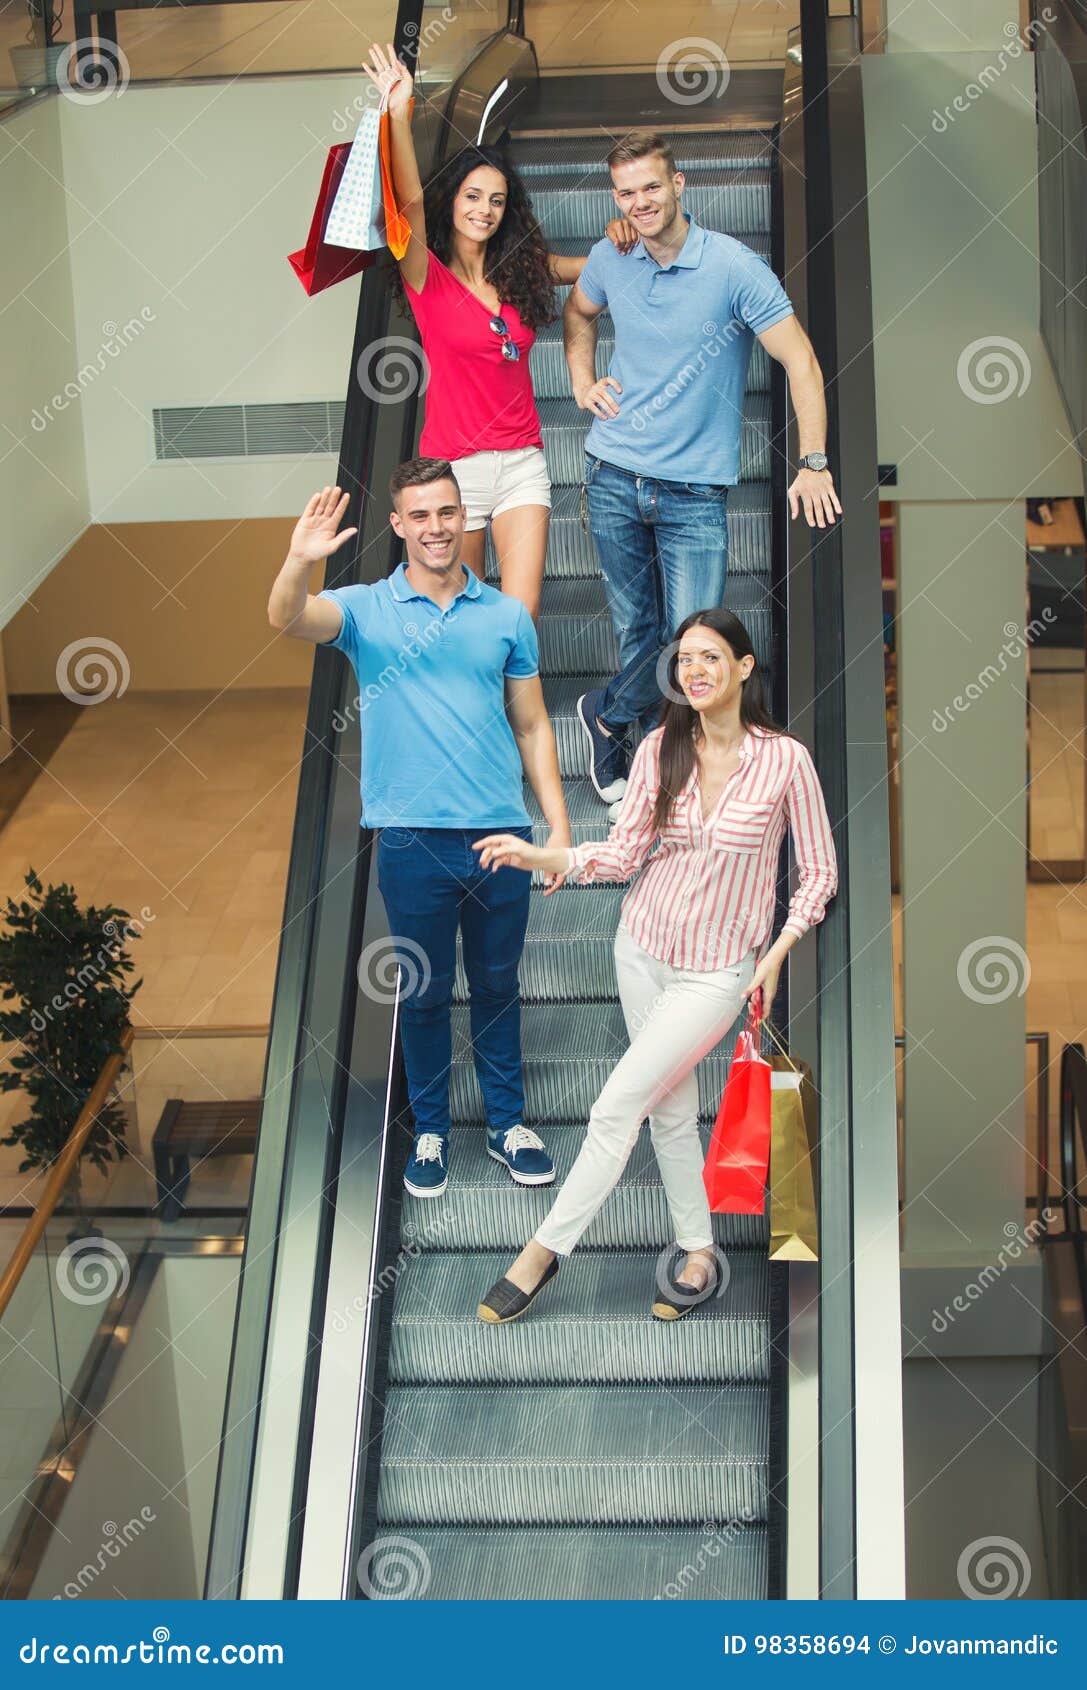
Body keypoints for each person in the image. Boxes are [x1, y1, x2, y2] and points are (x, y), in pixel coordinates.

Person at [469, 608, 837, 1324]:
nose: (693, 671)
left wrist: (776, 954)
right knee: (666, 1108)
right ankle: (697, 1252)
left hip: (718, 971)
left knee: (614, 1107)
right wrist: (547, 855)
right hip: (640, 949)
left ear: (744, 666)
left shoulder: (783, 759)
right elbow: (623, 853)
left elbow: (818, 872)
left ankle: (540, 1253)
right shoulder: (659, 749)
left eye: (709, 657)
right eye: (684, 660)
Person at [267, 460, 573, 1199]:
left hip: (501, 833)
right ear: (399, 525)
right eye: (420, 516)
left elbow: (531, 725)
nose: (436, 528)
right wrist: (296, 562)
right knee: (426, 992)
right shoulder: (366, 608)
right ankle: (430, 1129)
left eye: (446, 513)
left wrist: (557, 830)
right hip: (409, 840)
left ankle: (507, 1125)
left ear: (461, 517)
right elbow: (286, 618)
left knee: (498, 986)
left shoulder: (504, 615)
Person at [564, 129, 843, 819]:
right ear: (615, 198)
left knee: (690, 639)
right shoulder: (610, 252)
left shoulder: (733, 267)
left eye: (651, 187)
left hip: (693, 493)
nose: (640, 202)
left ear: (679, 183)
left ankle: (603, 712)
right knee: (638, 633)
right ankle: (643, 758)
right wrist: (579, 379)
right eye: (625, 192)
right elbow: (577, 310)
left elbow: (801, 361)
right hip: (612, 474)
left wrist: (813, 461)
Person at [361, 43, 634, 620]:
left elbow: (590, 269)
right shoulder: (425, 276)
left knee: (519, 615)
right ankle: (484, 716)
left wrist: (621, 235)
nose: (484, 210)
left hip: (522, 464)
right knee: (464, 617)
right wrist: (400, 114)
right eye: (472, 197)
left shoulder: (520, 269)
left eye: (496, 201)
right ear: (453, 201)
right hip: (454, 470)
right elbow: (406, 206)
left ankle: (519, 713)